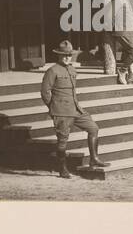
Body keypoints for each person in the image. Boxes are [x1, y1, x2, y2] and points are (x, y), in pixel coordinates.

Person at [40, 39, 108, 178]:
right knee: (62, 141)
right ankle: (62, 168)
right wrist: (54, 109)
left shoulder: (72, 69)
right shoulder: (52, 71)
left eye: (69, 55)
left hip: (76, 108)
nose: (67, 57)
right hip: (62, 112)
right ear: (58, 55)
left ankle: (94, 159)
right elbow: (45, 92)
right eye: (64, 55)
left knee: (93, 128)